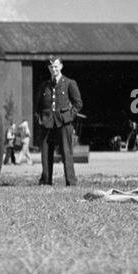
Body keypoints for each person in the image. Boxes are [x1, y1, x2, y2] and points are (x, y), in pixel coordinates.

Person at [35, 56, 83, 186]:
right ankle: (46, 180)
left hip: (63, 122)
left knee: (66, 152)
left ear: (61, 66)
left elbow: (78, 104)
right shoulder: (44, 85)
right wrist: (40, 118)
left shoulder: (69, 83)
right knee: (45, 153)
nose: (53, 69)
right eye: (51, 66)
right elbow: (38, 104)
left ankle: (70, 181)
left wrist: (69, 116)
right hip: (47, 122)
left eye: (56, 66)